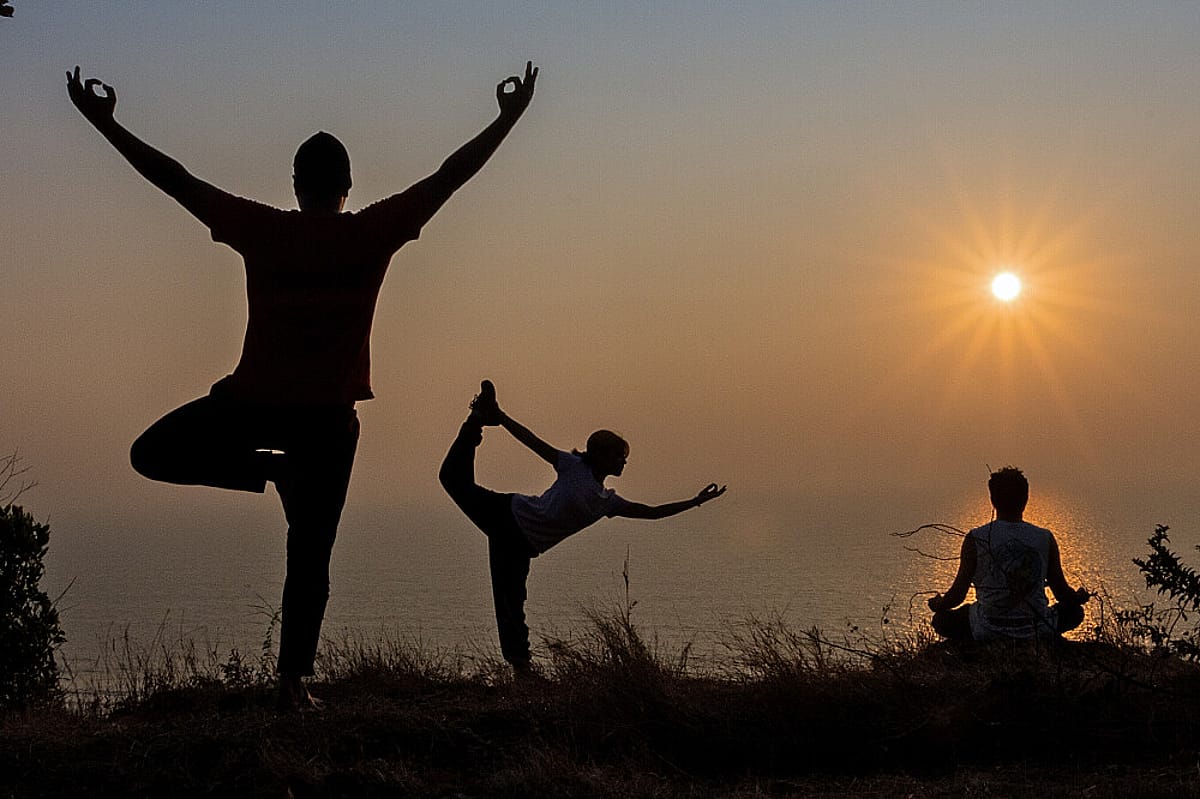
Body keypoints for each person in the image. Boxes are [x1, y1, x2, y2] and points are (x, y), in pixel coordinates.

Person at [67, 62, 538, 709]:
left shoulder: (267, 230)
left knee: (150, 453)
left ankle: (268, 471)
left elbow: (175, 180)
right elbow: (447, 178)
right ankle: (292, 686)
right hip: (327, 423)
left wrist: (105, 123)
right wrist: (507, 117)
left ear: (296, 186)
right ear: (348, 185)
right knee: (311, 554)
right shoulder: (371, 233)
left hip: (251, 405)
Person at [439, 380, 727, 674]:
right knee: (452, 478)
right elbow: (532, 441)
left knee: (510, 601)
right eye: (619, 456)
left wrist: (695, 501)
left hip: (521, 544)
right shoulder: (572, 465)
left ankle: (521, 668)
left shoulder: (607, 501)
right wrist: (500, 417)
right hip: (509, 515)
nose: (624, 462)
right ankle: (479, 417)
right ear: (601, 456)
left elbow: (651, 513)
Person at [927, 466, 1090, 642]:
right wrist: (1078, 597)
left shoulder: (976, 538)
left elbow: (957, 595)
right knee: (1075, 613)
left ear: (992, 500)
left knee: (941, 620)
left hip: (987, 629)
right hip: (1037, 628)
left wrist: (938, 604)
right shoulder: (1044, 537)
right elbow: (1062, 593)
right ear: (1026, 498)